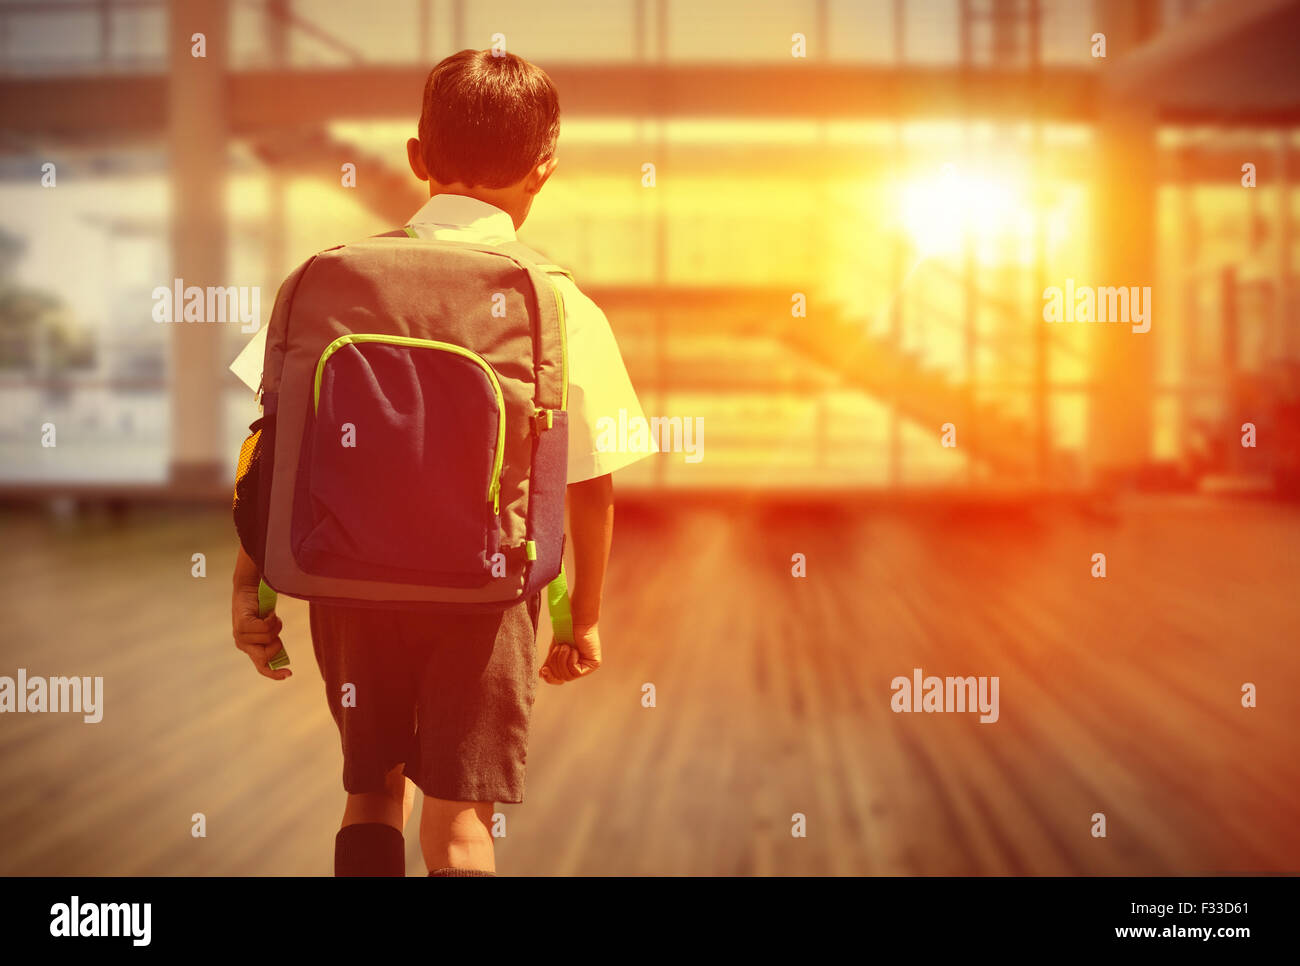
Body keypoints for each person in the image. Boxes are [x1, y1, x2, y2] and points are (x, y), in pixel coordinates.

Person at [229, 48, 653, 876]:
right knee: (462, 830)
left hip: (349, 585)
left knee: (370, 794)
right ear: (544, 171)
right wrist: (582, 617)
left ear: (418, 159)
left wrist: (252, 587)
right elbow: (592, 486)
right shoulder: (558, 301)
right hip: (486, 602)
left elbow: (271, 452)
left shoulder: (324, 281)